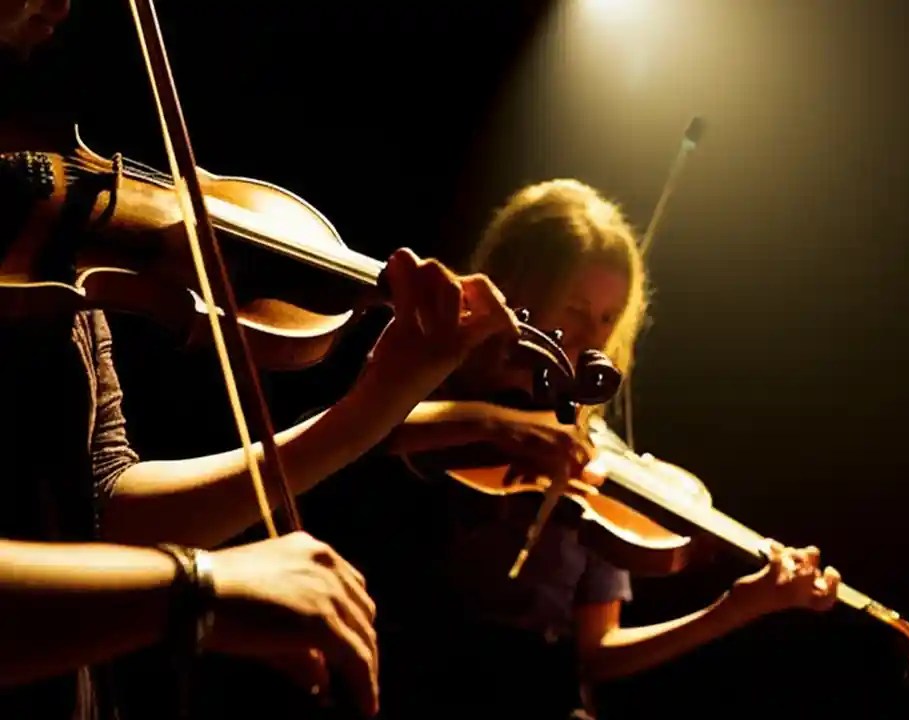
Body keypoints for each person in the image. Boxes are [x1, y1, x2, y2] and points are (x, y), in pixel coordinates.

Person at [0, 3, 521, 719]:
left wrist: (368, 409)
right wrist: (196, 590)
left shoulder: (44, 221)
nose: (61, 4)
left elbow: (104, 508)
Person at [316, 178, 844, 718]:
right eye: (574, 308)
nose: (592, 336)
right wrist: (493, 425)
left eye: (608, 318)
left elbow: (598, 654)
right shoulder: (429, 374)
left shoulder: (587, 452)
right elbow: (360, 432)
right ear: (517, 287)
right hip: (401, 678)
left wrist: (740, 606)